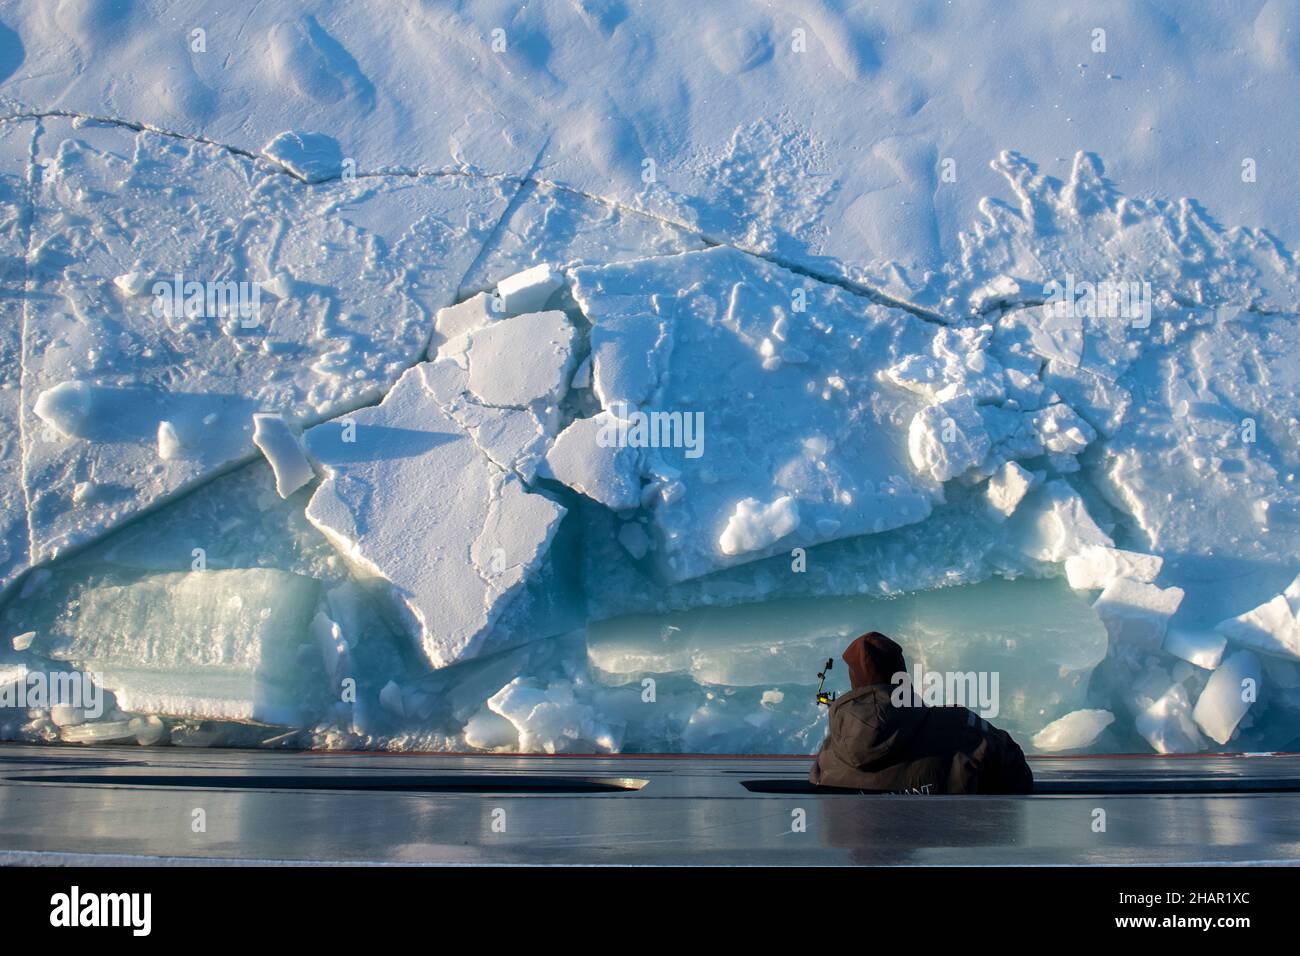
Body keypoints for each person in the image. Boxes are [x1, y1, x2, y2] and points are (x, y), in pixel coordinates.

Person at [810, 631, 1034, 794]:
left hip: (854, 856)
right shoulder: (957, 726)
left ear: (854, 682)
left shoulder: (832, 750)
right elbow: (1019, 776)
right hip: (945, 852)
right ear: (902, 676)